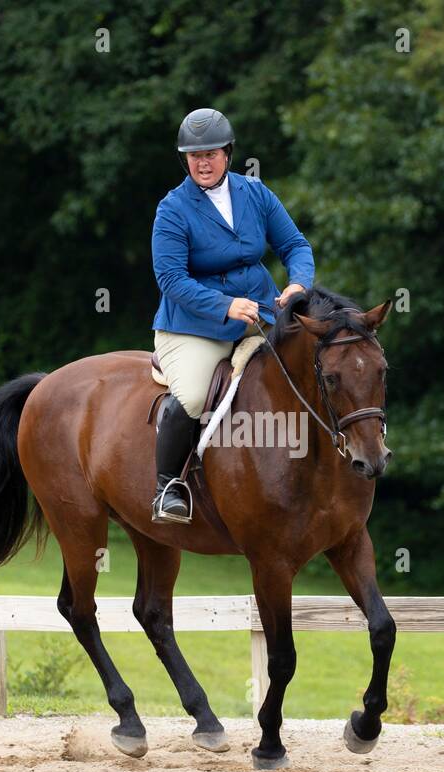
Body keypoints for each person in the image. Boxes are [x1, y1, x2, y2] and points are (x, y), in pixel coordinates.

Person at [150, 107, 315, 523]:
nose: (202, 163)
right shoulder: (172, 209)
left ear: (228, 153)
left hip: (260, 314)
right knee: (190, 395)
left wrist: (297, 284)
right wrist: (224, 305)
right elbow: (171, 278)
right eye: (194, 156)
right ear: (185, 160)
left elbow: (295, 245)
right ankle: (169, 485)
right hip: (193, 327)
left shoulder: (255, 194)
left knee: (313, 364)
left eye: (211, 154)